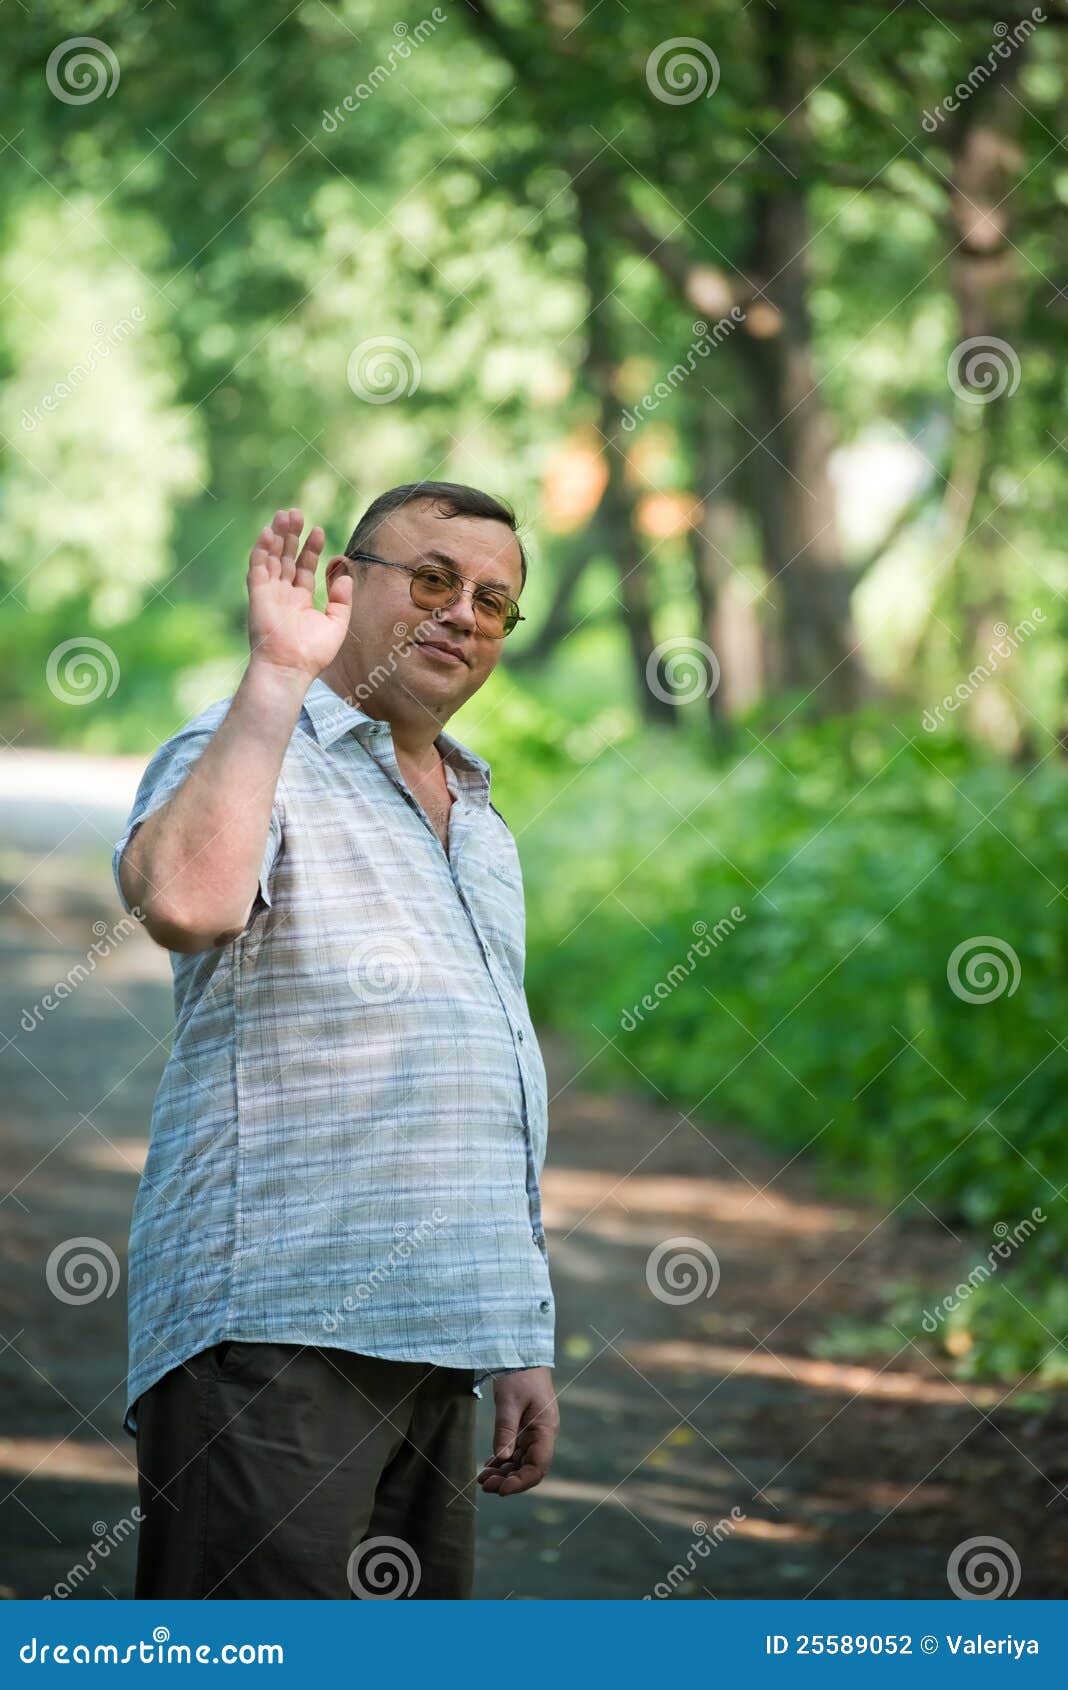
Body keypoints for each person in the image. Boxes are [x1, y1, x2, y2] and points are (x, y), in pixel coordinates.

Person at [112, 481, 559, 1599]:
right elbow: (184, 903)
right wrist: (276, 675)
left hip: (442, 1342)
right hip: (277, 1326)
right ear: (345, 586)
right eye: (433, 579)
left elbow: (488, 1088)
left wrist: (520, 1332)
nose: (462, 614)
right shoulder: (249, 749)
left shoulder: (481, 817)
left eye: (493, 601)